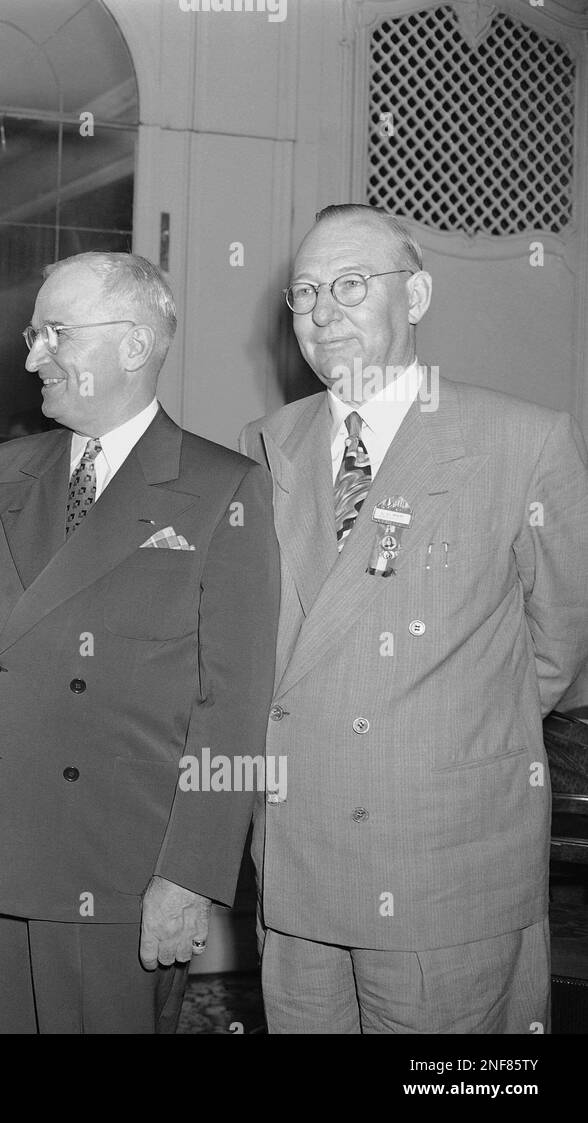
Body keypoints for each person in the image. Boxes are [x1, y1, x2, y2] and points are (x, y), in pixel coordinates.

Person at [240, 203, 588, 1033]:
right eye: (305, 293)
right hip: (299, 856)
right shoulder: (264, 443)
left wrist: (447, 726)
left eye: (352, 285)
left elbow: (562, 644)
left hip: (443, 853)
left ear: (418, 296)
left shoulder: (522, 442)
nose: (322, 314)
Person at [0, 251, 280, 1033]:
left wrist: (188, 878)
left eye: (55, 333)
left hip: (123, 871)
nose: (31, 354)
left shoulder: (223, 489)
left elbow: (235, 706)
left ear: (134, 345)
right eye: (33, 333)